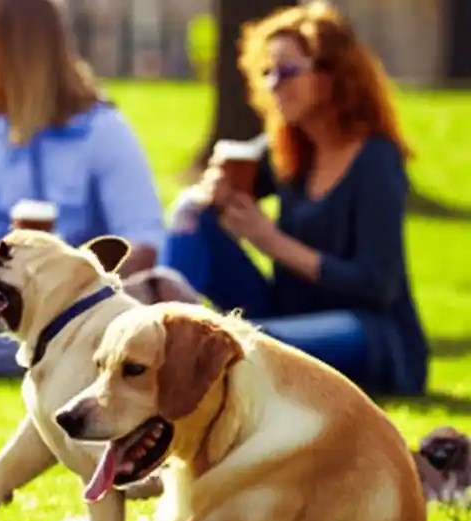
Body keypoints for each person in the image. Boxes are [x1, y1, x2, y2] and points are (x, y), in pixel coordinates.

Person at [161, 1, 428, 396]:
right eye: (267, 73)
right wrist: (215, 190)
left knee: (239, 345)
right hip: (286, 313)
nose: (273, 85)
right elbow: (216, 203)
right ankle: (159, 328)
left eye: (287, 71)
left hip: (369, 331)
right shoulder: (287, 150)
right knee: (191, 218)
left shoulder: (376, 160)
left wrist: (270, 241)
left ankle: (185, 354)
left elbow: (378, 284)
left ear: (331, 76)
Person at [0, 0, 167, 378]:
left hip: (78, 310)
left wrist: (68, 273)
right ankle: (66, 363)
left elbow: (146, 239)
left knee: (148, 295)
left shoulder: (101, 128)